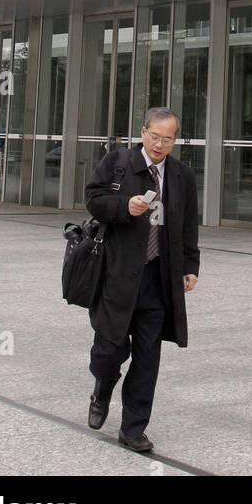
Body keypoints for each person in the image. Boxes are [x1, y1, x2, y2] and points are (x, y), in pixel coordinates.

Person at [84, 107, 200, 454]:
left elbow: (188, 224)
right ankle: (102, 388)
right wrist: (124, 207)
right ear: (142, 131)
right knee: (109, 351)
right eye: (155, 136)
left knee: (148, 358)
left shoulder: (182, 175)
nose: (160, 144)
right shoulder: (117, 162)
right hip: (117, 275)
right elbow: (93, 199)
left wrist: (190, 265)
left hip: (158, 278)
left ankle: (133, 428)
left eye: (168, 139)